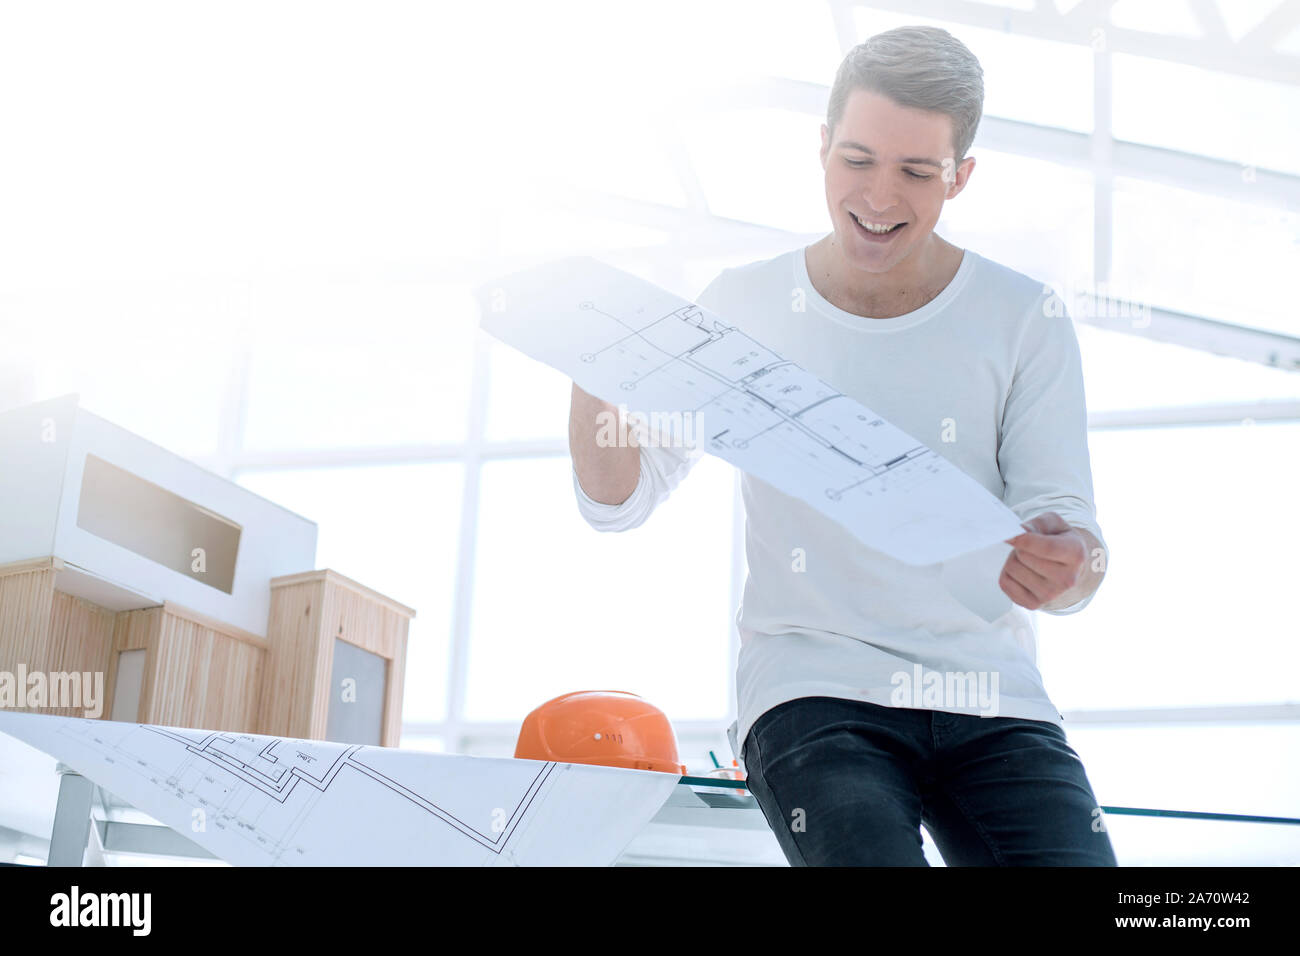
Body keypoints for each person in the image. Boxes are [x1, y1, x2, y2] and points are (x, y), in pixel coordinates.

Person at [567, 24, 1117, 866]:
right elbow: (620, 500)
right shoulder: (742, 306)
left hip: (993, 696)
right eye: (856, 160)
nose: (879, 196)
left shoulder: (1021, 318)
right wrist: (591, 363)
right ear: (821, 147)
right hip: (813, 692)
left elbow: (1071, 539)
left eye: (915, 171)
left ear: (960, 177)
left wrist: (1072, 566)